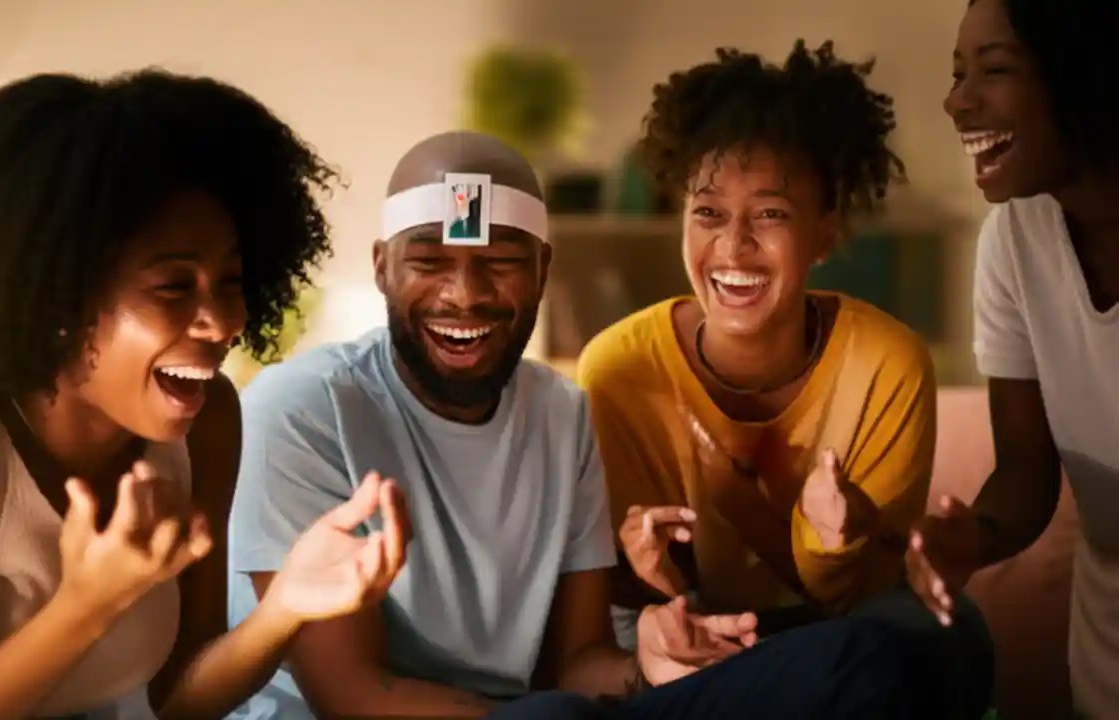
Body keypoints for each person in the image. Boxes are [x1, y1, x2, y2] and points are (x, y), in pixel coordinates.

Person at [228, 129, 991, 720]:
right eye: (429, 261)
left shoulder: (562, 411)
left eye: (500, 261)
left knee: (919, 649)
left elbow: (580, 661)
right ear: (382, 268)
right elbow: (353, 697)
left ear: (543, 273)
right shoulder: (303, 408)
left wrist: (648, 664)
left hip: (556, 713)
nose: (465, 295)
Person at [0, 70, 410, 720]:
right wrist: (86, 607)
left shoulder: (207, 418)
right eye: (174, 287)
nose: (224, 322)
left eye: (230, 281)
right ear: (57, 295)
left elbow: (178, 700)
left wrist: (283, 611)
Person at [577, 38, 940, 634]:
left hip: (840, 650)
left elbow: (872, 604)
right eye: (708, 213)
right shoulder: (617, 369)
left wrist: (834, 538)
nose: (734, 245)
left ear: (826, 234)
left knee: (940, 637)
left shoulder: (888, 366)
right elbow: (614, 616)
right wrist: (645, 575)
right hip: (692, 664)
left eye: (771, 214)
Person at [911, 0, 1119, 715]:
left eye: (994, 70)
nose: (956, 100)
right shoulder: (1014, 238)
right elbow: (1027, 471)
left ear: (1085, 74)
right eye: (958, 72)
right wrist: (969, 538)